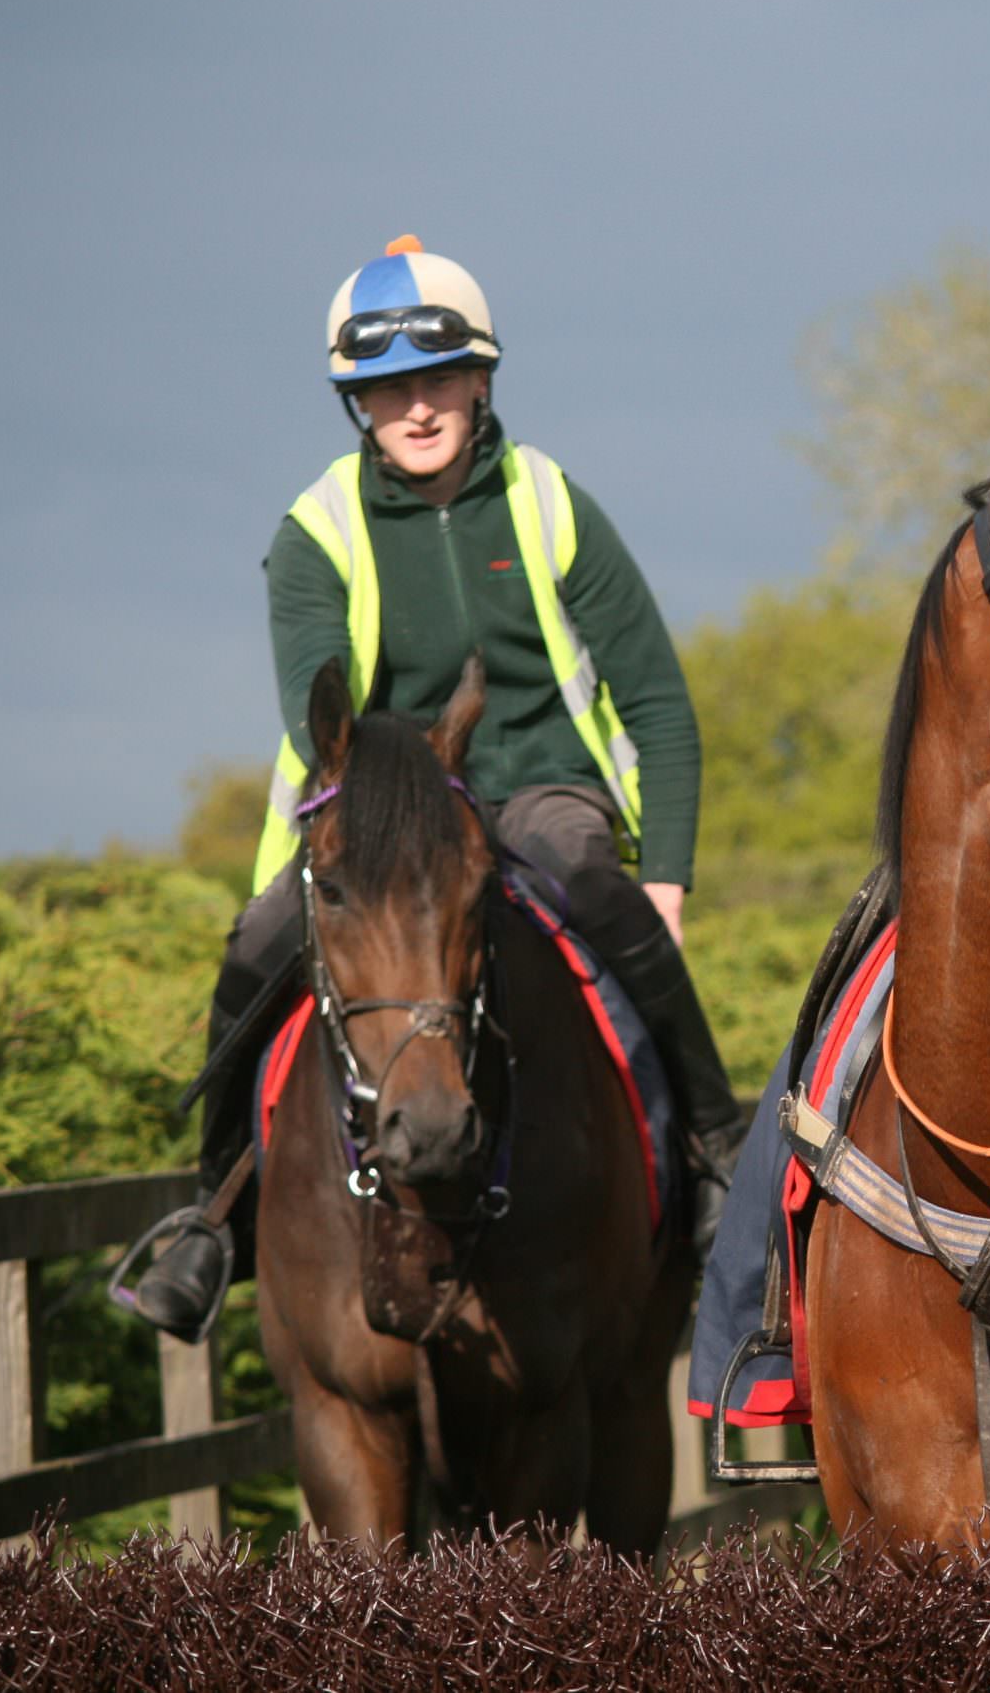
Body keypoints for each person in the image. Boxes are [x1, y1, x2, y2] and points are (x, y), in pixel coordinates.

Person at [127, 237, 746, 1340]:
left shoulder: (554, 504)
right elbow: (315, 717)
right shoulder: (316, 528)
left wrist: (672, 882)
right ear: (358, 405)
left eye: (436, 382)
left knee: (596, 887)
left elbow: (658, 704)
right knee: (257, 944)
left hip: (543, 788)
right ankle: (214, 1214)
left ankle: (716, 1166)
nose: (415, 409)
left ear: (480, 381)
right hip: (379, 808)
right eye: (384, 391)